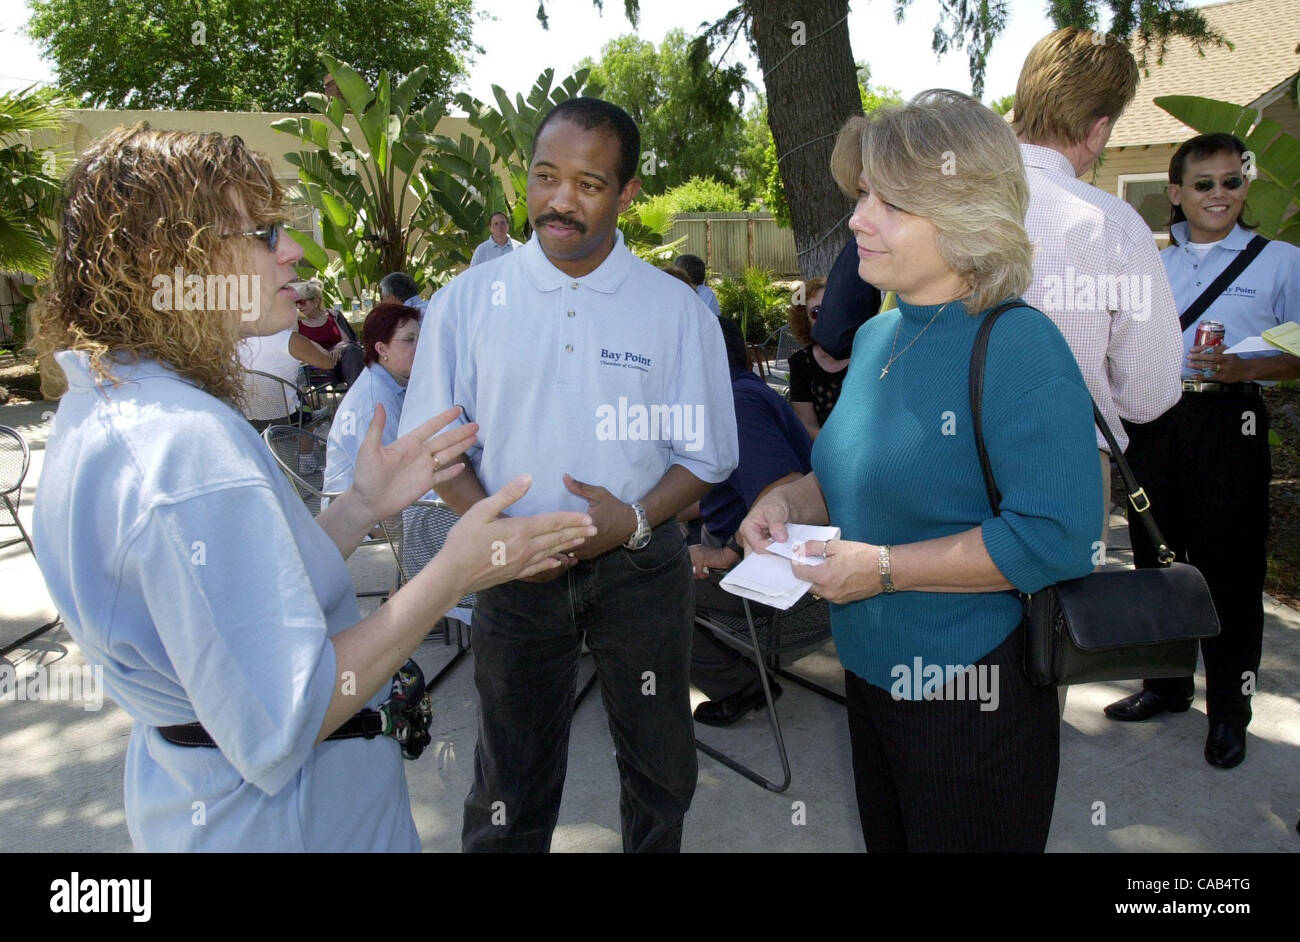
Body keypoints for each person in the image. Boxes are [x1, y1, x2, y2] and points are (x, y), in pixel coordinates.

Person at [30, 125, 594, 852]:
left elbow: (236, 606)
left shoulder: (115, 403)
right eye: (263, 233)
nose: (291, 251)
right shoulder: (183, 450)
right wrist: (459, 568)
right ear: (164, 261)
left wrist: (361, 506)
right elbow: (287, 716)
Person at [738, 91, 1101, 853]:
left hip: (971, 693)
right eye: (864, 193)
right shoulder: (877, 336)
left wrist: (883, 569)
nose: (858, 217)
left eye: (891, 202)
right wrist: (785, 502)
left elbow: (1058, 537)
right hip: (871, 677)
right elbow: (844, 473)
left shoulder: (1019, 346)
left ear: (967, 218)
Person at [398, 97, 738, 853]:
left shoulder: (674, 310)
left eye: (588, 184)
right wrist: (501, 537)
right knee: (509, 779)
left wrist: (638, 520)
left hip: (643, 570)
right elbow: (439, 452)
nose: (560, 200)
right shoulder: (466, 303)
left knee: (660, 769)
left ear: (627, 193)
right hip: (514, 578)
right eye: (546, 176)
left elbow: (706, 456)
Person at [1103, 133, 1300, 769]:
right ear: (1177, 193)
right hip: (1153, 421)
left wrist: (1246, 373)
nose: (1220, 194)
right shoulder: (1148, 263)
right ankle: (1164, 685)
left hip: (1227, 424)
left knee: (1230, 572)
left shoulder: (1281, 262)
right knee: (1156, 559)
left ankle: (1229, 714)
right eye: (1205, 183)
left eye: (1232, 181)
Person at [1012, 27, 1184, 520]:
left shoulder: (940, 203)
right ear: (1098, 131)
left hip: (934, 454)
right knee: (1063, 598)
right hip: (1064, 462)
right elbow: (1149, 393)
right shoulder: (1114, 225)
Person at [683, 317, 812, 725]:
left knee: (632, 587)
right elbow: (730, 492)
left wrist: (724, 552)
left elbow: (785, 495)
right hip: (763, 564)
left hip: (769, 582)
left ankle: (740, 684)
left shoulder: (736, 406)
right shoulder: (743, 392)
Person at [323, 302, 421, 495]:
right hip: (362, 515)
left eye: (421, 338)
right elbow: (396, 472)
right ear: (382, 350)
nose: (420, 347)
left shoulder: (392, 381)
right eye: (410, 340)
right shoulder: (375, 401)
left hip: (379, 498)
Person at [786, 277, 848, 440]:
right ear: (806, 321)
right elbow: (807, 424)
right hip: (827, 452)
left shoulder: (867, 349)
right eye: (816, 312)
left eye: (832, 308)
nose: (826, 317)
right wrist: (838, 448)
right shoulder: (801, 363)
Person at [295, 280, 364, 385]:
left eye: (302, 302)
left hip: (340, 365)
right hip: (314, 368)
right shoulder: (296, 322)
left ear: (316, 301)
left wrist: (342, 345)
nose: (299, 306)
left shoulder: (334, 315)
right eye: (297, 302)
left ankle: (357, 393)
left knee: (350, 350)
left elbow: (350, 341)